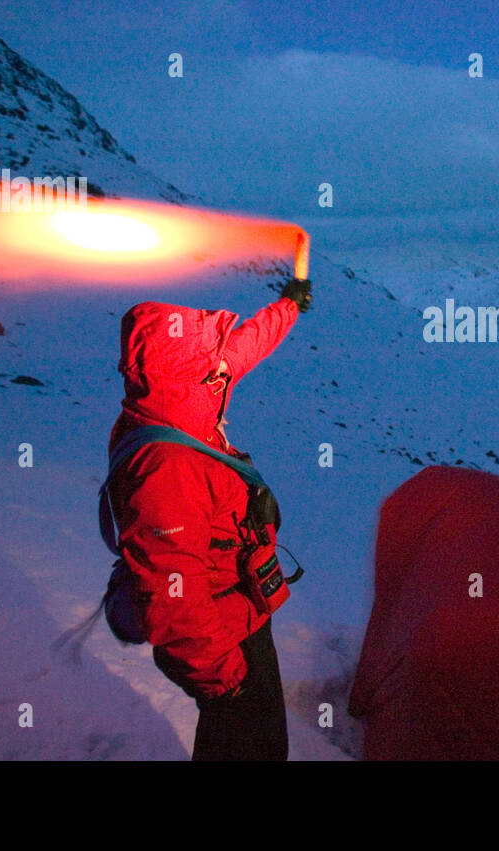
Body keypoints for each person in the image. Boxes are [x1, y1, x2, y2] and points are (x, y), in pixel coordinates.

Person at [106, 278, 312, 760]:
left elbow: (242, 351)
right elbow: (171, 597)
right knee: (251, 749)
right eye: (210, 362)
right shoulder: (167, 465)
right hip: (222, 639)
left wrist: (287, 306)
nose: (223, 367)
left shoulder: (175, 403)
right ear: (186, 373)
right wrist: (226, 682)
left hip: (237, 611)